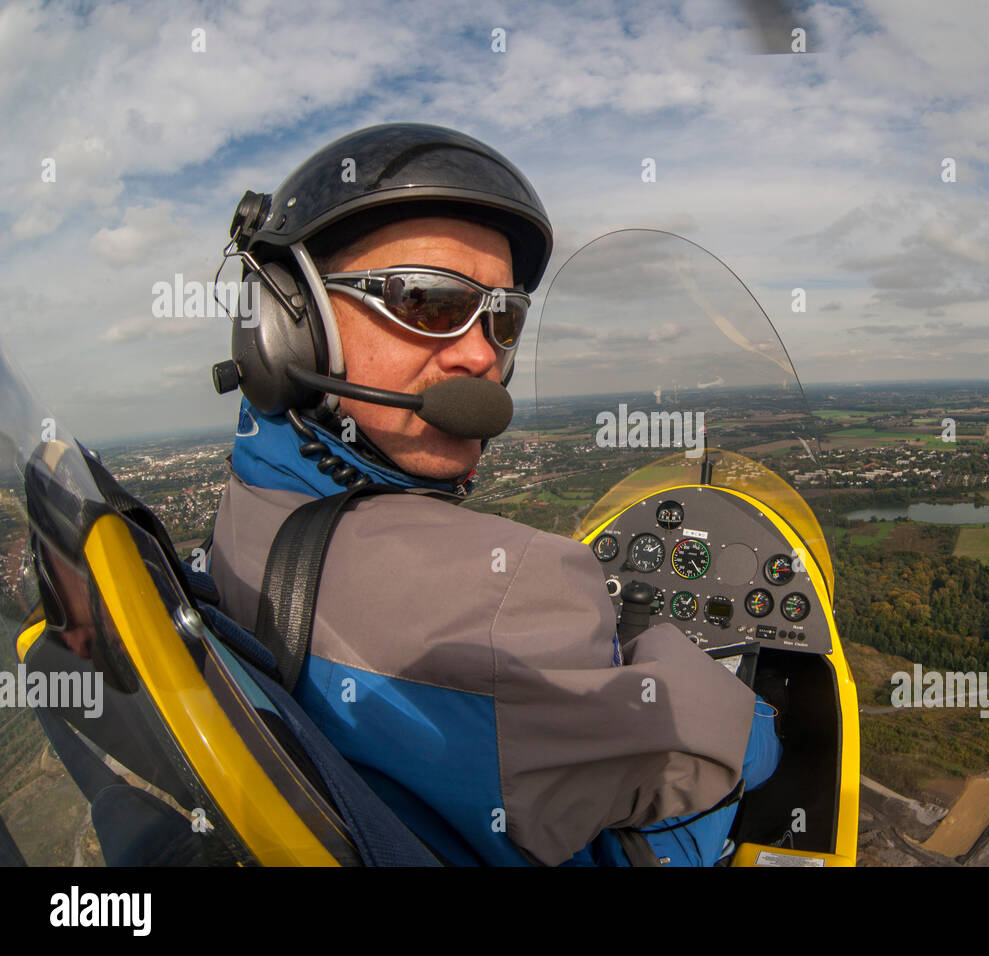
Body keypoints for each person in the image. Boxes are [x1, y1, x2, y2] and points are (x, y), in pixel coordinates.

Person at [205, 123, 780, 866]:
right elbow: (727, 745)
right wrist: (670, 659)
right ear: (288, 327)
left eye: (502, 315)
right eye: (429, 302)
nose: (482, 352)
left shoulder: (244, 511)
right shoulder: (504, 599)